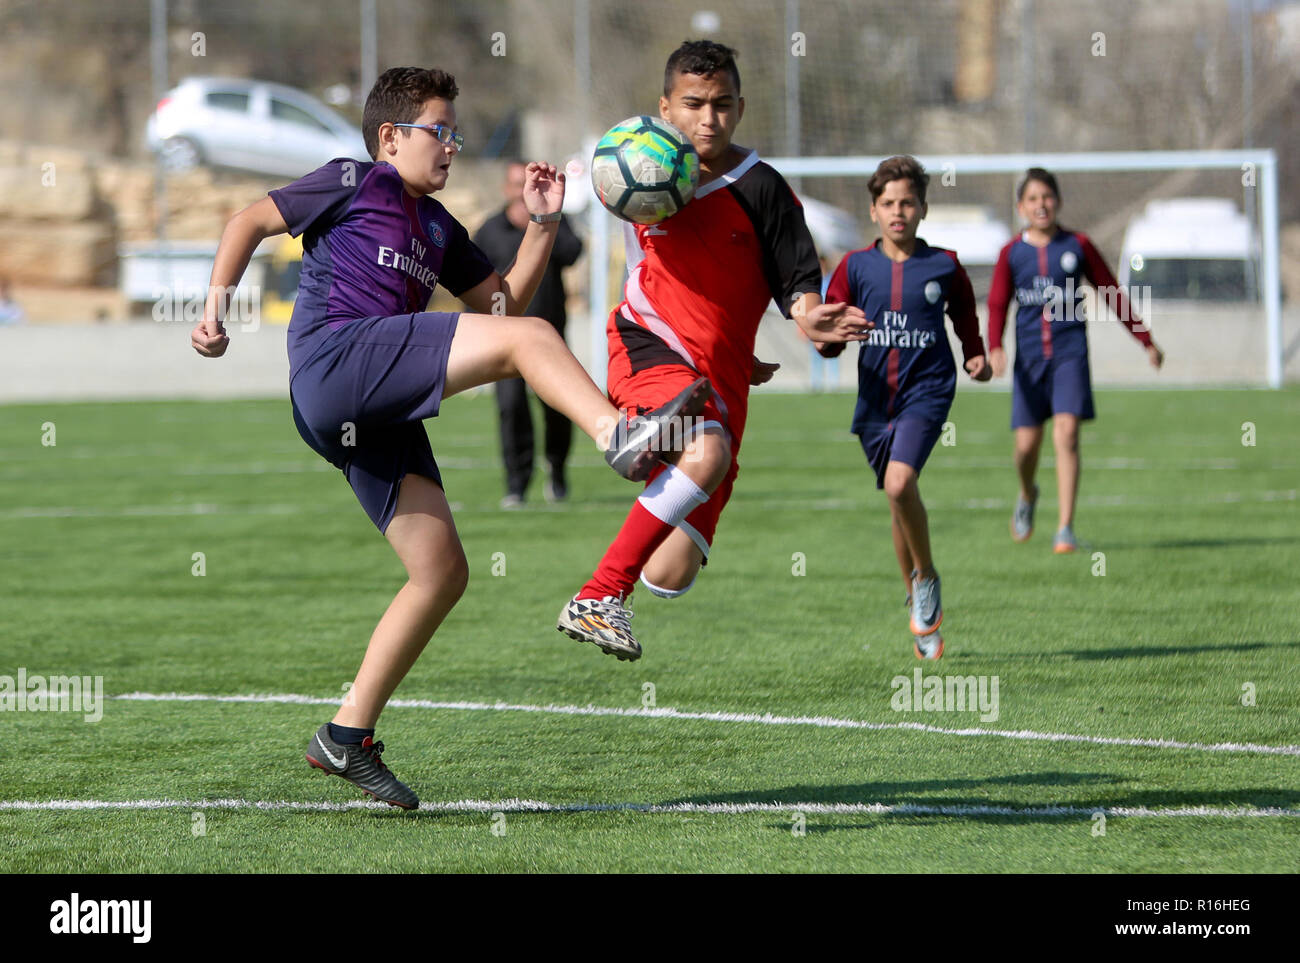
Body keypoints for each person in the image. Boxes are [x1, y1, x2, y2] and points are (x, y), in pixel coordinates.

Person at [188, 66, 708, 809]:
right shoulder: (349, 179)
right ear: (390, 138)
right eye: (441, 131)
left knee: (443, 571)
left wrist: (544, 223)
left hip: (369, 407)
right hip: (337, 361)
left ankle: (345, 734)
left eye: (456, 134)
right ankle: (616, 435)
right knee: (529, 340)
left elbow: (502, 305)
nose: (452, 146)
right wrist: (215, 310)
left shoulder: (439, 227)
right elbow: (247, 221)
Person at [556, 40, 869, 661]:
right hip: (647, 346)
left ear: (741, 107)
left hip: (719, 379)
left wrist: (812, 318)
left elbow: (797, 282)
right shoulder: (636, 169)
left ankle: (657, 447)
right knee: (705, 448)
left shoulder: (763, 189)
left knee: (670, 575)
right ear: (665, 108)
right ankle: (598, 590)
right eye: (693, 104)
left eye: (722, 105)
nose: (708, 119)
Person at [820, 156, 991, 659]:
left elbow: (964, 314)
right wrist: (829, 342)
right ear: (873, 210)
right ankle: (919, 599)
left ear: (923, 208)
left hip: (929, 389)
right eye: (889, 203)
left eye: (908, 202)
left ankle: (928, 576)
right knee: (898, 499)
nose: (899, 212)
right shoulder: (854, 267)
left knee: (900, 483)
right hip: (876, 398)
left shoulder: (945, 264)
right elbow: (829, 333)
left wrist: (975, 353)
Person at [987, 168, 1164, 552]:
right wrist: (995, 345)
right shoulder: (1011, 253)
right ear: (1021, 207)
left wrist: (1146, 340)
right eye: (1032, 199)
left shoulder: (1078, 245)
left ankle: (1065, 528)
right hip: (1030, 361)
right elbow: (999, 302)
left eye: (1047, 197)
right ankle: (1028, 493)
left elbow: (1111, 292)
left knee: (1066, 435)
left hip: (1070, 356)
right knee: (1025, 449)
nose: (1041, 205)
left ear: (1058, 201)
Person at [473, 162, 582, 507]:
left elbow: (573, 253)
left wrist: (544, 225)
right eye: (516, 183)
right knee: (510, 407)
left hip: (549, 335)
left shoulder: (553, 219)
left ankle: (557, 470)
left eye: (528, 182)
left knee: (557, 406)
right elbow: (470, 282)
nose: (522, 190)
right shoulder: (490, 230)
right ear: (506, 189)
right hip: (503, 339)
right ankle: (516, 486)